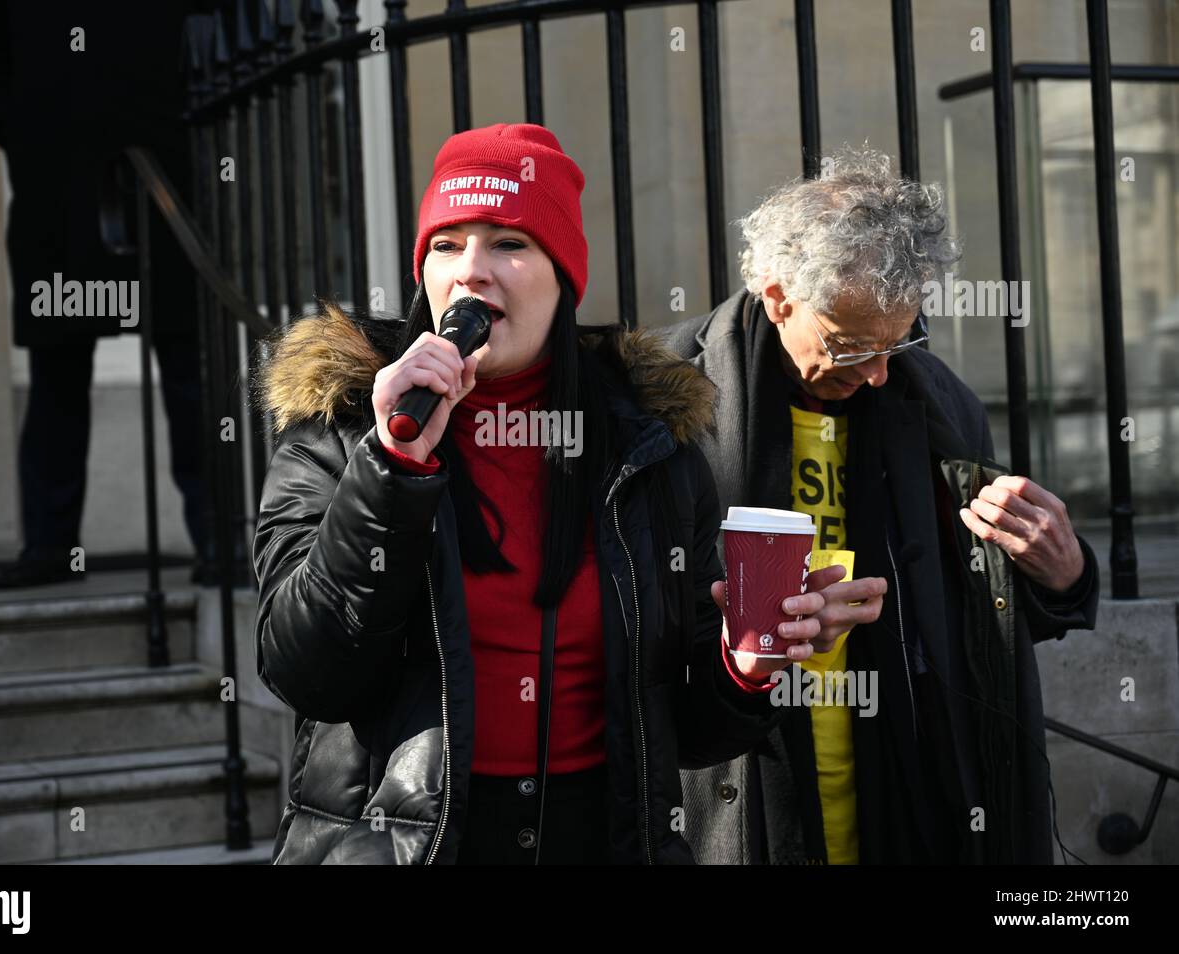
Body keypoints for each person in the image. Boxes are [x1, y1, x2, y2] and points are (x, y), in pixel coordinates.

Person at [250, 123, 841, 864]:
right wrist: (393, 467)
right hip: (401, 847)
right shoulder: (339, 430)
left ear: (563, 278)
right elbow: (306, 672)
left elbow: (686, 735)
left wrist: (741, 667)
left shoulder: (649, 444)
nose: (470, 271)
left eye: (509, 244)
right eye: (446, 244)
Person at [664, 147, 1100, 864]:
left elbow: (978, 628)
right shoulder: (673, 400)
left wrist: (1064, 572)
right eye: (848, 348)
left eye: (899, 342)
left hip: (907, 796)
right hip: (744, 796)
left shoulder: (938, 401)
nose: (875, 375)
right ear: (777, 295)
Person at [0, 0, 209, 587]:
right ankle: (50, 546)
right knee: (58, 379)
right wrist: (30, 137)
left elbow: (224, 52)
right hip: (59, 207)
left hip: (163, 197)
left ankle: (215, 541)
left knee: (188, 379)